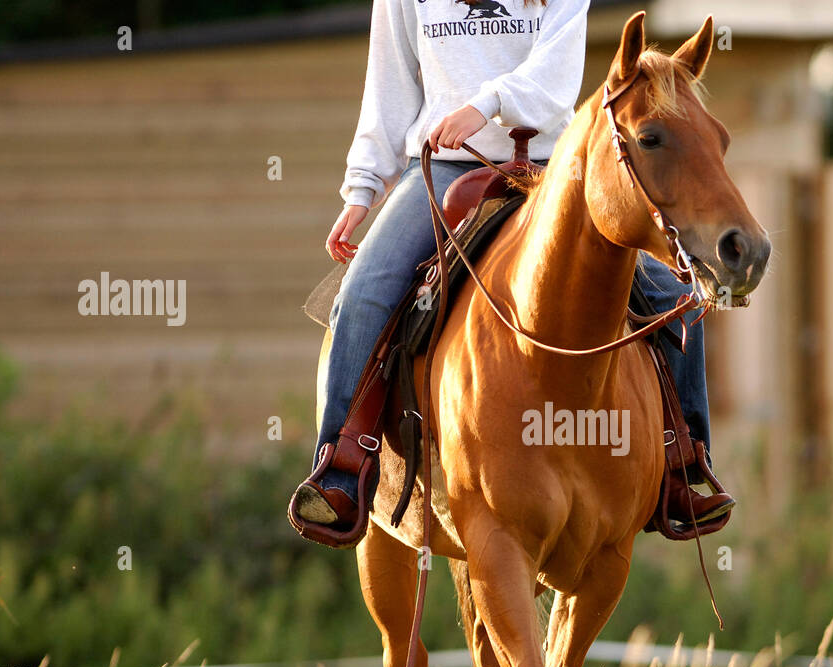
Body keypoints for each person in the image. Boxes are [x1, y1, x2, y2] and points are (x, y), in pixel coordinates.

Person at [290, 0, 733, 542]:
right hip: (446, 163)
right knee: (361, 294)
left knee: (672, 297)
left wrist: (487, 104)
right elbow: (389, 91)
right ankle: (342, 466)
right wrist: (361, 190)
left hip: (559, 166)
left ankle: (684, 465)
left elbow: (557, 71)